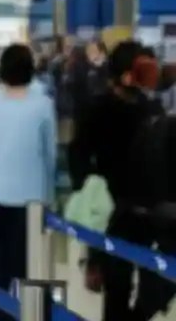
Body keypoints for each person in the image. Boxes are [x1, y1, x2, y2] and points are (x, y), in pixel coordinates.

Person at [69, 41, 172, 321]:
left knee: (161, 282)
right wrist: (88, 189)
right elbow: (78, 154)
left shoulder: (152, 110)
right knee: (117, 287)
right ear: (126, 74)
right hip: (113, 211)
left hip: (153, 209)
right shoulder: (98, 109)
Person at [0, 44, 57, 321]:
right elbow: (50, 155)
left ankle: (0, 315)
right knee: (25, 266)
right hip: (28, 200)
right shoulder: (43, 105)